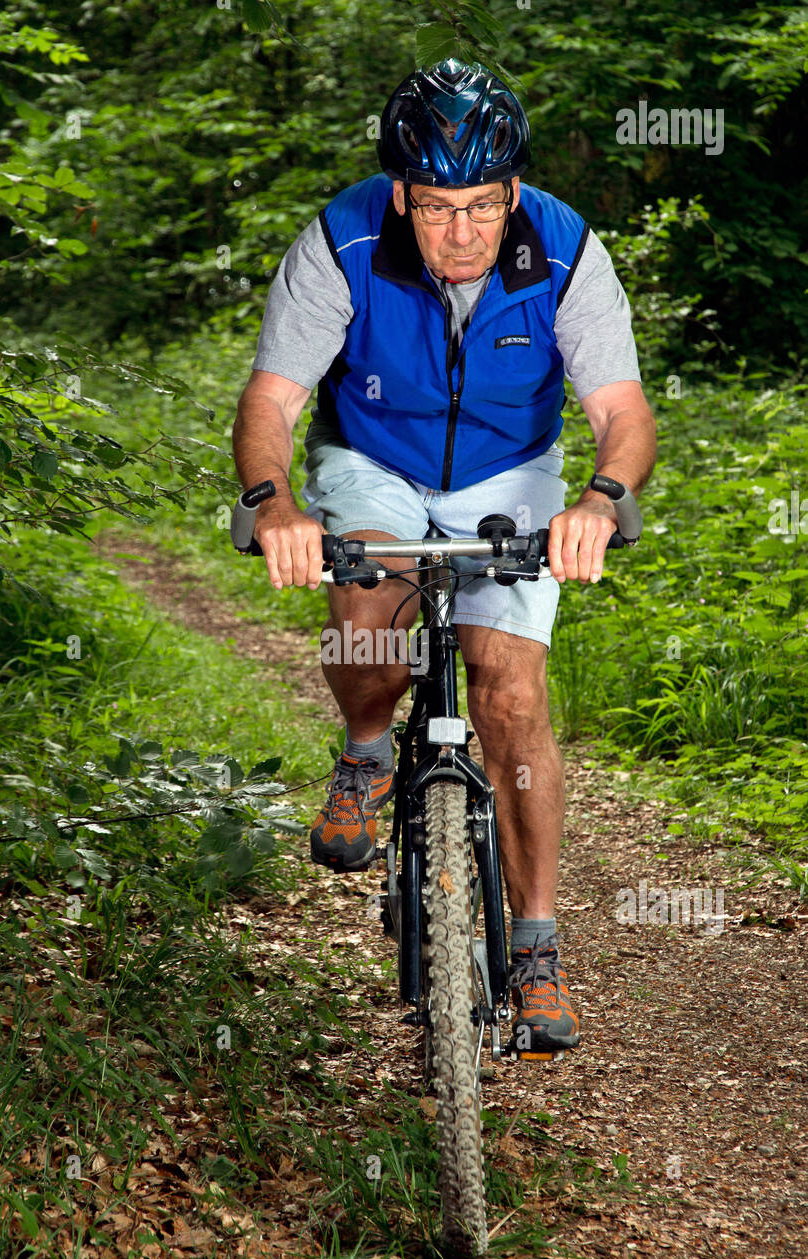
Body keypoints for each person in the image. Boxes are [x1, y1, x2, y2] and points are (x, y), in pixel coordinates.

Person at [231, 58, 656, 1053]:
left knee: (509, 688)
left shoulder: (564, 252)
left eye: (478, 206)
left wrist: (601, 499)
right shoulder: (339, 243)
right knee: (364, 599)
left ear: (510, 192)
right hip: (372, 458)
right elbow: (272, 402)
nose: (459, 233)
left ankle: (539, 951)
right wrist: (274, 503)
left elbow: (620, 414)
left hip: (510, 470)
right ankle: (367, 753)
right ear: (398, 196)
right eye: (432, 208)